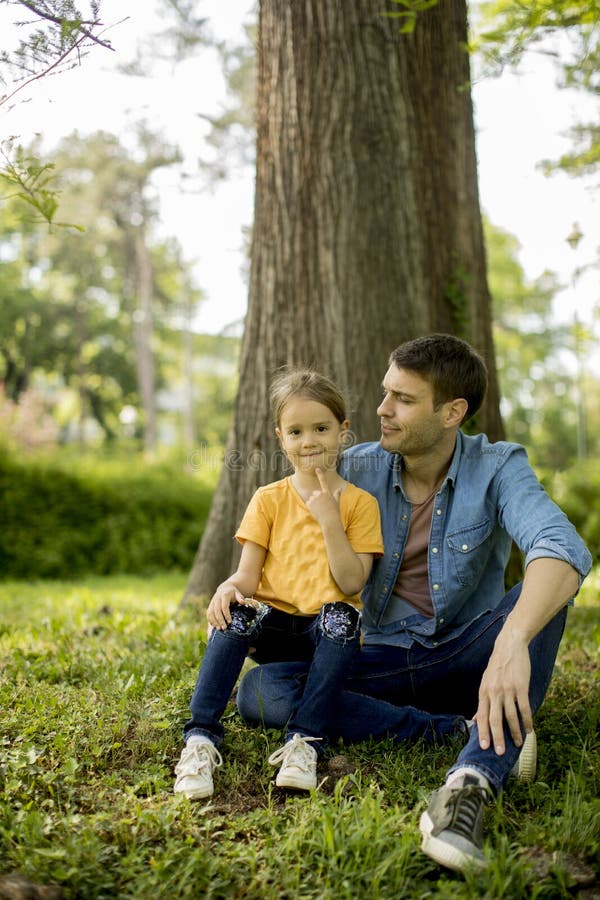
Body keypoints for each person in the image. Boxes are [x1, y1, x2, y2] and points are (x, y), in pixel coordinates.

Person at [236, 334, 592, 873]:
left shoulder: (497, 467)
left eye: (402, 399)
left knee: (544, 596)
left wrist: (511, 642)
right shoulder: (350, 468)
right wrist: (247, 595)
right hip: (370, 655)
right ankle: (457, 729)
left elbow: (562, 547)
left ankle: (469, 782)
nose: (382, 409)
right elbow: (279, 532)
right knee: (261, 689)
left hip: (463, 653)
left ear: (452, 412)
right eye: (385, 393)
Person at [174, 369, 396, 799]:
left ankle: (304, 741)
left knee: (341, 615)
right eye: (296, 431)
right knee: (237, 610)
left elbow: (353, 582)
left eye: (321, 428)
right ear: (281, 438)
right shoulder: (269, 498)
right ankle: (200, 738)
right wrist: (228, 587)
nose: (309, 441)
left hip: (325, 636)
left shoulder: (358, 504)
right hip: (274, 628)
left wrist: (329, 519)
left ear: (343, 432)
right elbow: (248, 575)